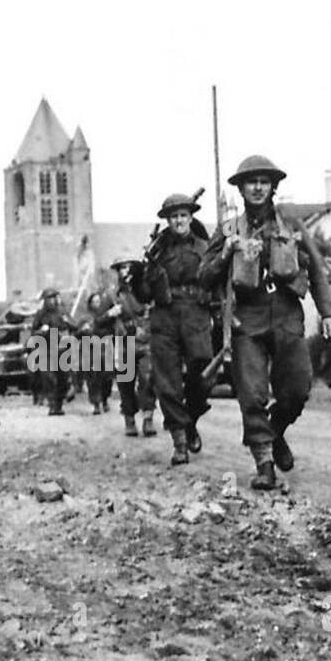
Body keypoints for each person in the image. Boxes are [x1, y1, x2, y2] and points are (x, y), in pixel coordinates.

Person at [199, 155, 331, 490]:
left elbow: (316, 269)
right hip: (247, 317)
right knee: (252, 394)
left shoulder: (290, 223)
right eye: (251, 182)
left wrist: (328, 312)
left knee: (297, 388)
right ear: (241, 189)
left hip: (286, 311)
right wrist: (224, 254)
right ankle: (264, 464)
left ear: (273, 186)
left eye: (264, 181)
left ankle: (275, 432)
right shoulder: (229, 229)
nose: (258, 188)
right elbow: (204, 276)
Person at [134, 193, 213, 465]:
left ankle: (190, 419)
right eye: (174, 216)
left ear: (191, 218)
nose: (179, 221)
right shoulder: (156, 252)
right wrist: (137, 277)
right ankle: (180, 441)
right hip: (165, 317)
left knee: (203, 373)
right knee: (167, 380)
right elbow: (144, 294)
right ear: (167, 221)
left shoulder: (205, 247)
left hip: (196, 314)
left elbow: (217, 281)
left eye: (183, 215)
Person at [111, 261, 157, 437]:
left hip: (145, 339)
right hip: (124, 341)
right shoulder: (113, 294)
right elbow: (99, 318)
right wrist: (111, 314)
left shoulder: (146, 289)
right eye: (122, 268)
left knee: (148, 378)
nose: (126, 271)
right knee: (125, 382)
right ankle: (129, 419)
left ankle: (148, 418)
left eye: (129, 267)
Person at [30, 286, 75, 415]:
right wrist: (42, 331)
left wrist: (68, 323)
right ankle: (52, 404)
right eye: (49, 298)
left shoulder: (62, 312)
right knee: (48, 378)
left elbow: (75, 326)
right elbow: (33, 332)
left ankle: (59, 405)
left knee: (63, 378)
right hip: (47, 348)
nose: (52, 301)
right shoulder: (40, 314)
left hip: (62, 348)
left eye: (54, 298)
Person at [80, 291, 116, 415]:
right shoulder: (87, 317)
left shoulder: (108, 317)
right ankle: (96, 403)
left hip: (106, 348)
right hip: (91, 350)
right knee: (93, 378)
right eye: (94, 301)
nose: (97, 304)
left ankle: (105, 399)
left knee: (107, 377)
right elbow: (80, 331)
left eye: (99, 301)